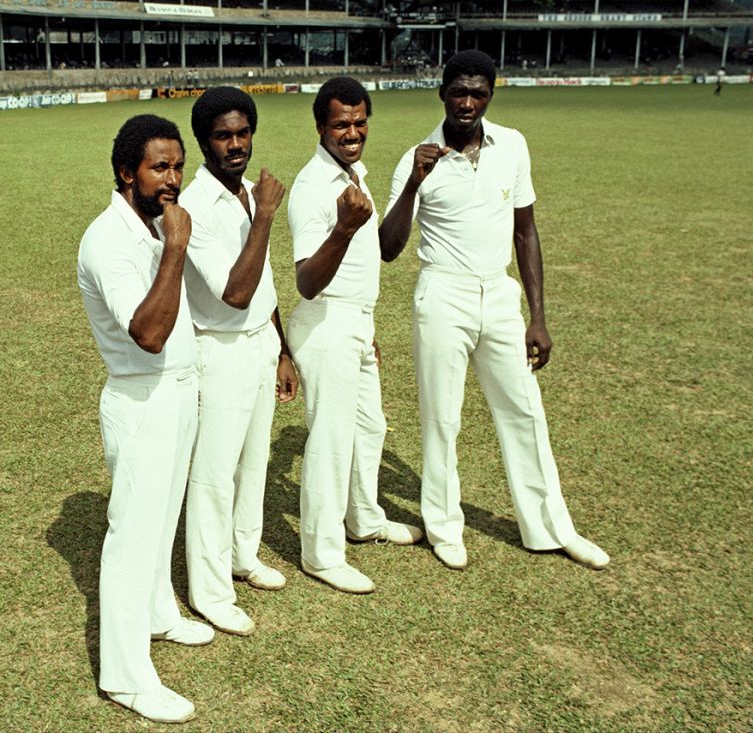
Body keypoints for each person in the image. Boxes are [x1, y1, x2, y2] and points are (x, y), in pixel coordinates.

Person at [379, 50, 609, 572]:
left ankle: (552, 529)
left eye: (478, 93)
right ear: (441, 93)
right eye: (458, 92)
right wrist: (414, 181)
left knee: (525, 412)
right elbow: (388, 247)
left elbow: (526, 232)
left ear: (490, 95)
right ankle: (443, 528)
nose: (467, 103)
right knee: (442, 418)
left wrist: (538, 316)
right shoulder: (417, 158)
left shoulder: (513, 145)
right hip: (443, 294)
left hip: (500, 295)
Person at [77, 114, 214, 724]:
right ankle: (126, 677)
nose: (173, 179)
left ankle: (158, 614)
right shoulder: (108, 239)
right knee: (132, 539)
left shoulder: (153, 225)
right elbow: (149, 334)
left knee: (162, 522)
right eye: (160, 167)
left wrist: (170, 239)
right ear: (126, 172)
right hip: (141, 399)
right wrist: (178, 247)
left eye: (179, 166)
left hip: (178, 393)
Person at [286, 77, 423, 596]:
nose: (352, 132)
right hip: (326, 322)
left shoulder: (354, 174)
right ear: (320, 126)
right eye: (341, 124)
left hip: (355, 323)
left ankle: (363, 518)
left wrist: (364, 325)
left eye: (360, 122)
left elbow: (376, 254)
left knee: (370, 428)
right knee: (331, 440)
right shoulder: (311, 187)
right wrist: (343, 228)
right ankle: (321, 554)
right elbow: (307, 280)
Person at [180, 87, 298, 636]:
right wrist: (266, 216)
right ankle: (210, 592)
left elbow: (265, 285)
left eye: (243, 133)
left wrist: (283, 350)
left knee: (254, 463)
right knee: (213, 475)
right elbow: (234, 292)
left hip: (260, 345)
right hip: (219, 348)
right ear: (204, 142)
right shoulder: (194, 206)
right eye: (223, 136)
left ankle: (242, 556)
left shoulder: (251, 192)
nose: (236, 145)